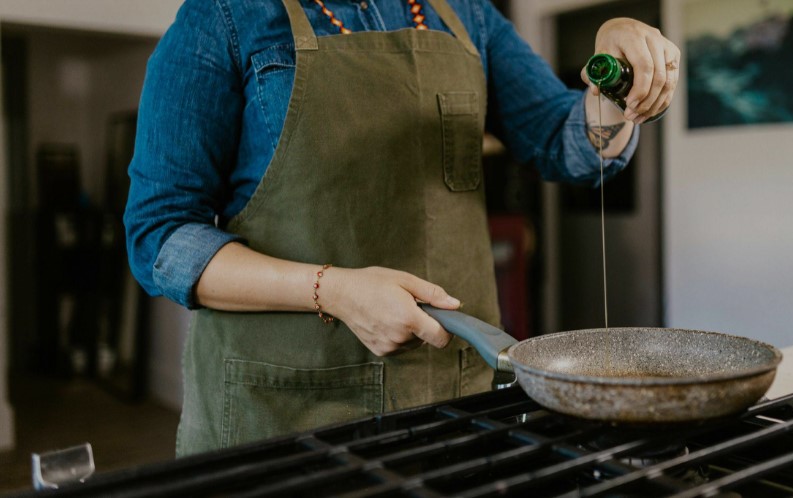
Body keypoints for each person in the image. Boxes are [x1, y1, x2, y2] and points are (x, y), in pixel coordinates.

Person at [124, 0, 679, 457]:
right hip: (288, 414)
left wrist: (620, 71)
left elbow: (571, 145)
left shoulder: (465, 15)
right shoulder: (223, 16)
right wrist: (334, 290)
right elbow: (161, 238)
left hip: (451, 401)